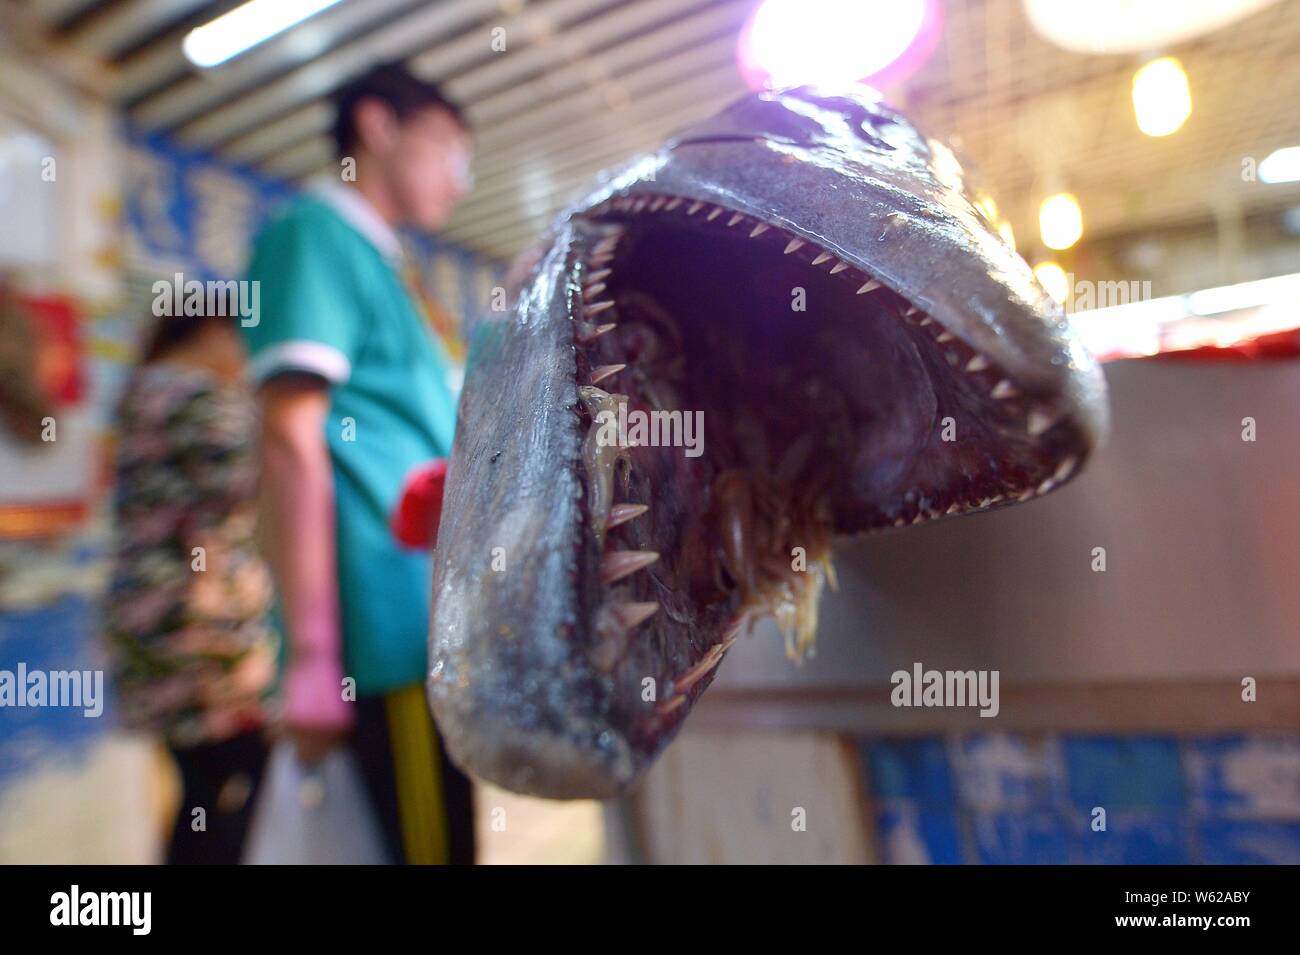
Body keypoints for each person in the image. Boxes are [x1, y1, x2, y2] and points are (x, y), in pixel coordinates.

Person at [243, 62, 475, 865]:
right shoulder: (314, 235)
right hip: (381, 637)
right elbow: (288, 439)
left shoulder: (390, 268)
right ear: (377, 127)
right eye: (448, 145)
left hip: (424, 627)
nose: (460, 174)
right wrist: (312, 656)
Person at [107, 310, 276, 865]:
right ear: (212, 333)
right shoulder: (193, 393)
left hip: (151, 619)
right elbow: (252, 480)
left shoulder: (142, 390)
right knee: (237, 777)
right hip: (195, 627)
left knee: (205, 785)